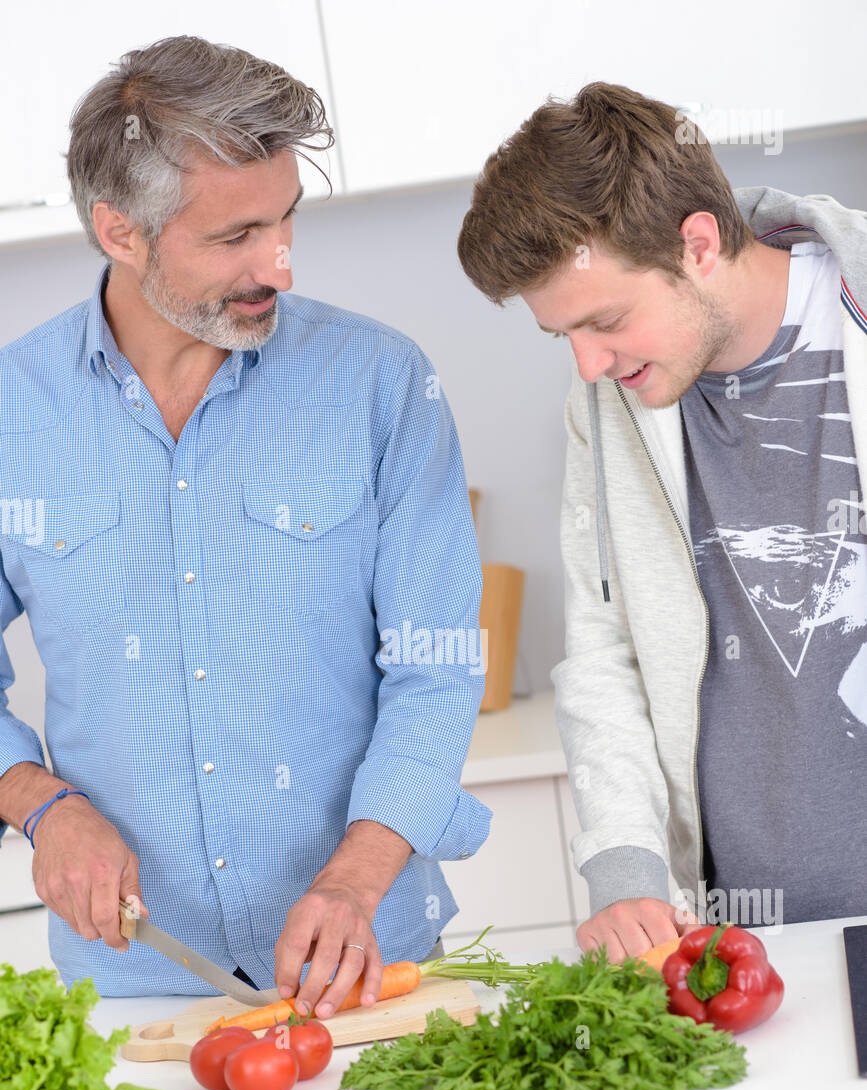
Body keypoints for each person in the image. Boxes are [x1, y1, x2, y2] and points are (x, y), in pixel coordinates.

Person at [0, 36, 490, 1009]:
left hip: (370, 966)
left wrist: (352, 881)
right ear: (120, 231)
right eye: (234, 238)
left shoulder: (381, 383)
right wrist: (41, 805)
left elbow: (435, 666)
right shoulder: (14, 413)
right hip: (135, 980)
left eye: (285, 222)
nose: (280, 264)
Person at [458, 81, 867, 961]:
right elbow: (606, 646)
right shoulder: (606, 406)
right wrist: (624, 866)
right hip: (749, 938)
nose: (589, 364)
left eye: (604, 320)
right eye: (561, 336)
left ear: (697, 243)